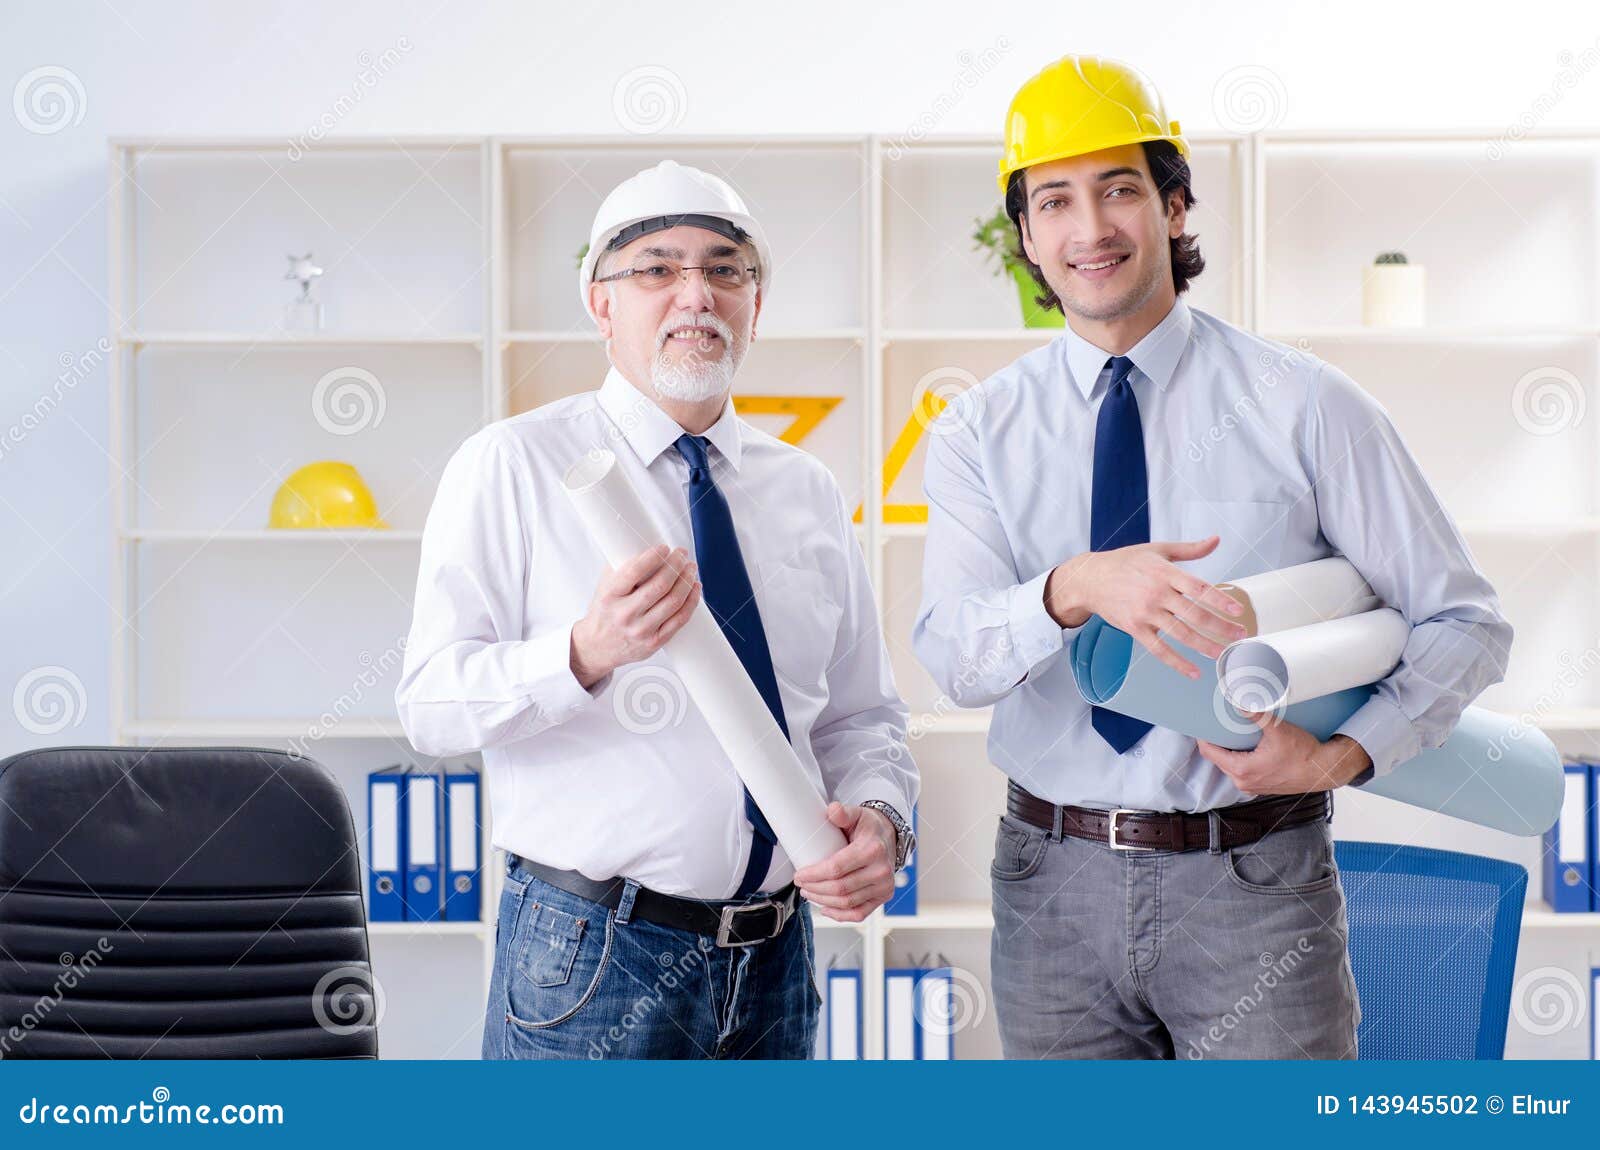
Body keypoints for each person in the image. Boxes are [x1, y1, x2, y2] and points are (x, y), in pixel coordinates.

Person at [912, 54, 1511, 1059]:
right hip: (1049, 890)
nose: (1089, 228)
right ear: (1027, 236)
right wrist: (1070, 587)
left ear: (1175, 206)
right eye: (1054, 201)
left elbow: (1464, 622)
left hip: (1254, 880)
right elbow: (955, 658)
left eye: (1119, 189)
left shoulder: (1306, 404)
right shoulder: (978, 431)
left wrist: (1339, 755)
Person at [397, 160, 918, 1060]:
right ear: (601, 305)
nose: (696, 294)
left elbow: (861, 715)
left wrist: (882, 817)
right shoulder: (513, 465)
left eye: (725, 269)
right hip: (594, 958)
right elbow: (429, 704)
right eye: (656, 269)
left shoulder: (806, 489)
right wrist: (585, 652)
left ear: (756, 303)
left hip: (778, 957)